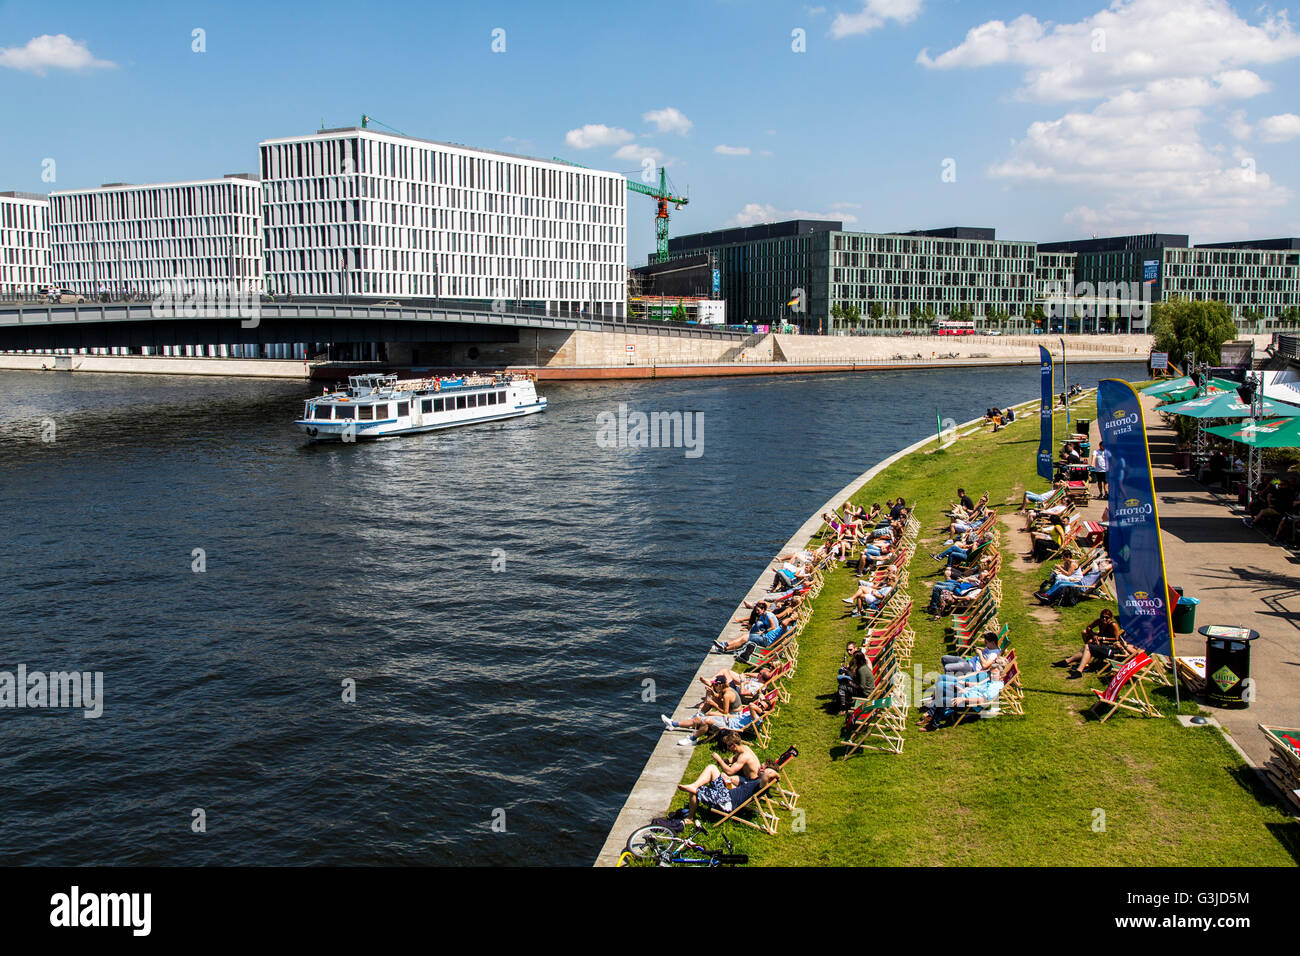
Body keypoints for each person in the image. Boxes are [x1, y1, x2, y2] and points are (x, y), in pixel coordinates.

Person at [677, 760, 780, 822]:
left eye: (761, 767)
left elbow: (769, 773)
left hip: (726, 802)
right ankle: (694, 785)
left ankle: (690, 819)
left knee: (695, 790)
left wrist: (777, 775)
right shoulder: (756, 780)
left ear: (765, 771)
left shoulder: (762, 785)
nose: (759, 768)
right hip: (726, 793)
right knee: (712, 768)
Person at [918, 661, 1007, 729]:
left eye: (994, 674)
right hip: (964, 694)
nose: (991, 675)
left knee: (943, 700)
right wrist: (963, 690)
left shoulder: (994, 687)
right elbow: (977, 688)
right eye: (991, 673)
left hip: (969, 704)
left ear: (1000, 676)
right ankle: (930, 716)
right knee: (943, 688)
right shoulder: (991, 680)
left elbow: (982, 701)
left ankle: (932, 724)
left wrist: (963, 699)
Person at [1053, 609, 1135, 678]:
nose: (1104, 619)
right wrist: (1094, 635)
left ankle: (1078, 669)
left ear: (1110, 618)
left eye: (1106, 618)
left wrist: (1102, 638)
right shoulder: (1100, 621)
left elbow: (1116, 639)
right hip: (1105, 645)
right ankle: (1068, 662)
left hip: (1111, 648)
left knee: (1088, 646)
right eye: (1102, 617)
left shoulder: (1113, 625)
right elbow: (1089, 627)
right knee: (1087, 642)